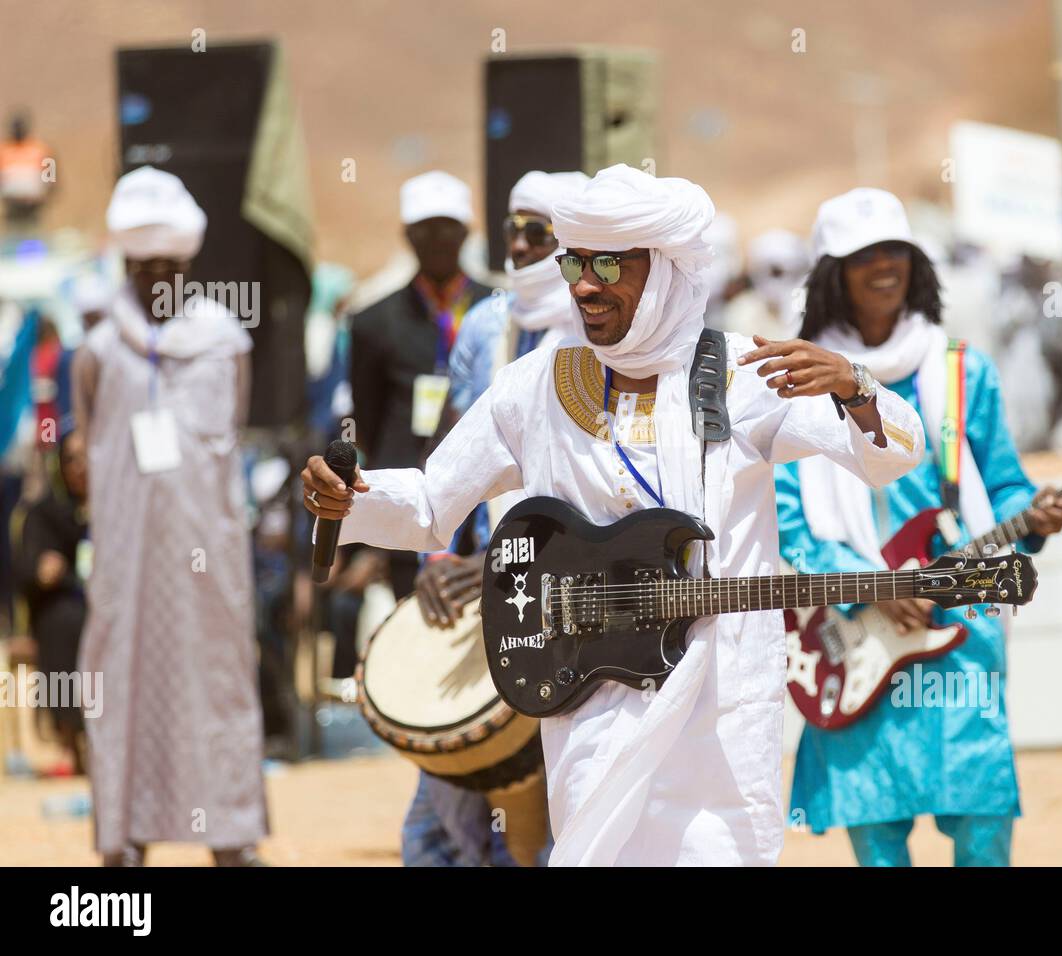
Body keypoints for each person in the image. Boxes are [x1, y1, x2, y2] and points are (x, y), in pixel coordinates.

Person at [301, 164, 925, 866]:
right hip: (593, 701)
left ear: (663, 272)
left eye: (608, 265)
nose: (584, 286)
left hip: (718, 713)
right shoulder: (535, 385)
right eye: (575, 262)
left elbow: (890, 457)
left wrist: (857, 384)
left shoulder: (746, 374)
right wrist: (348, 499)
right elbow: (429, 504)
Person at [776, 188, 1062, 867]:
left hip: (963, 634)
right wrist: (870, 587)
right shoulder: (794, 382)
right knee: (879, 841)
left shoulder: (962, 370)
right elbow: (786, 524)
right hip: (855, 642)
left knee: (983, 828)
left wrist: (1034, 515)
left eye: (896, 251)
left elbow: (1002, 484)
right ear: (832, 275)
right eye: (864, 256)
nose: (884, 266)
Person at [72, 166, 267, 866]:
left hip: (209, 557)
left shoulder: (223, 340)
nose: (156, 277)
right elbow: (87, 434)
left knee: (217, 679)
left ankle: (231, 833)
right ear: (125, 262)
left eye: (168, 265)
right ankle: (123, 839)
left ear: (188, 265)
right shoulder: (98, 350)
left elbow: (234, 430)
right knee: (121, 681)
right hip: (127, 561)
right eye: (142, 264)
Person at [400, 170, 587, 868]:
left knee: (543, 820)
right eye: (510, 228)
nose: (517, 243)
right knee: (435, 829)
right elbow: (447, 453)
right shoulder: (486, 325)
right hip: (478, 595)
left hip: (569, 609)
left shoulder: (599, 328)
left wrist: (513, 566)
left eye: (536, 232)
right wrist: (438, 559)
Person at [348, 170, 495, 598]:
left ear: (466, 232)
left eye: (447, 228)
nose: (436, 240)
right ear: (407, 236)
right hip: (410, 510)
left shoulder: (499, 312)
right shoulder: (373, 322)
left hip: (485, 503)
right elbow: (367, 420)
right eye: (424, 230)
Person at [13, 428, 89, 772]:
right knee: (65, 622)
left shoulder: (118, 510)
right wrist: (45, 568)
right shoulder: (46, 512)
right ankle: (68, 736)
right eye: (71, 458)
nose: (79, 466)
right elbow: (28, 570)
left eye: (86, 456)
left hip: (114, 611)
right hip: (61, 610)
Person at [0, 111, 55, 229]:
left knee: (33, 236)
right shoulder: (4, 150)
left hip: (34, 207)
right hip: (11, 207)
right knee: (13, 236)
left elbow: (51, 177)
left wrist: (44, 195)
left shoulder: (40, 149)